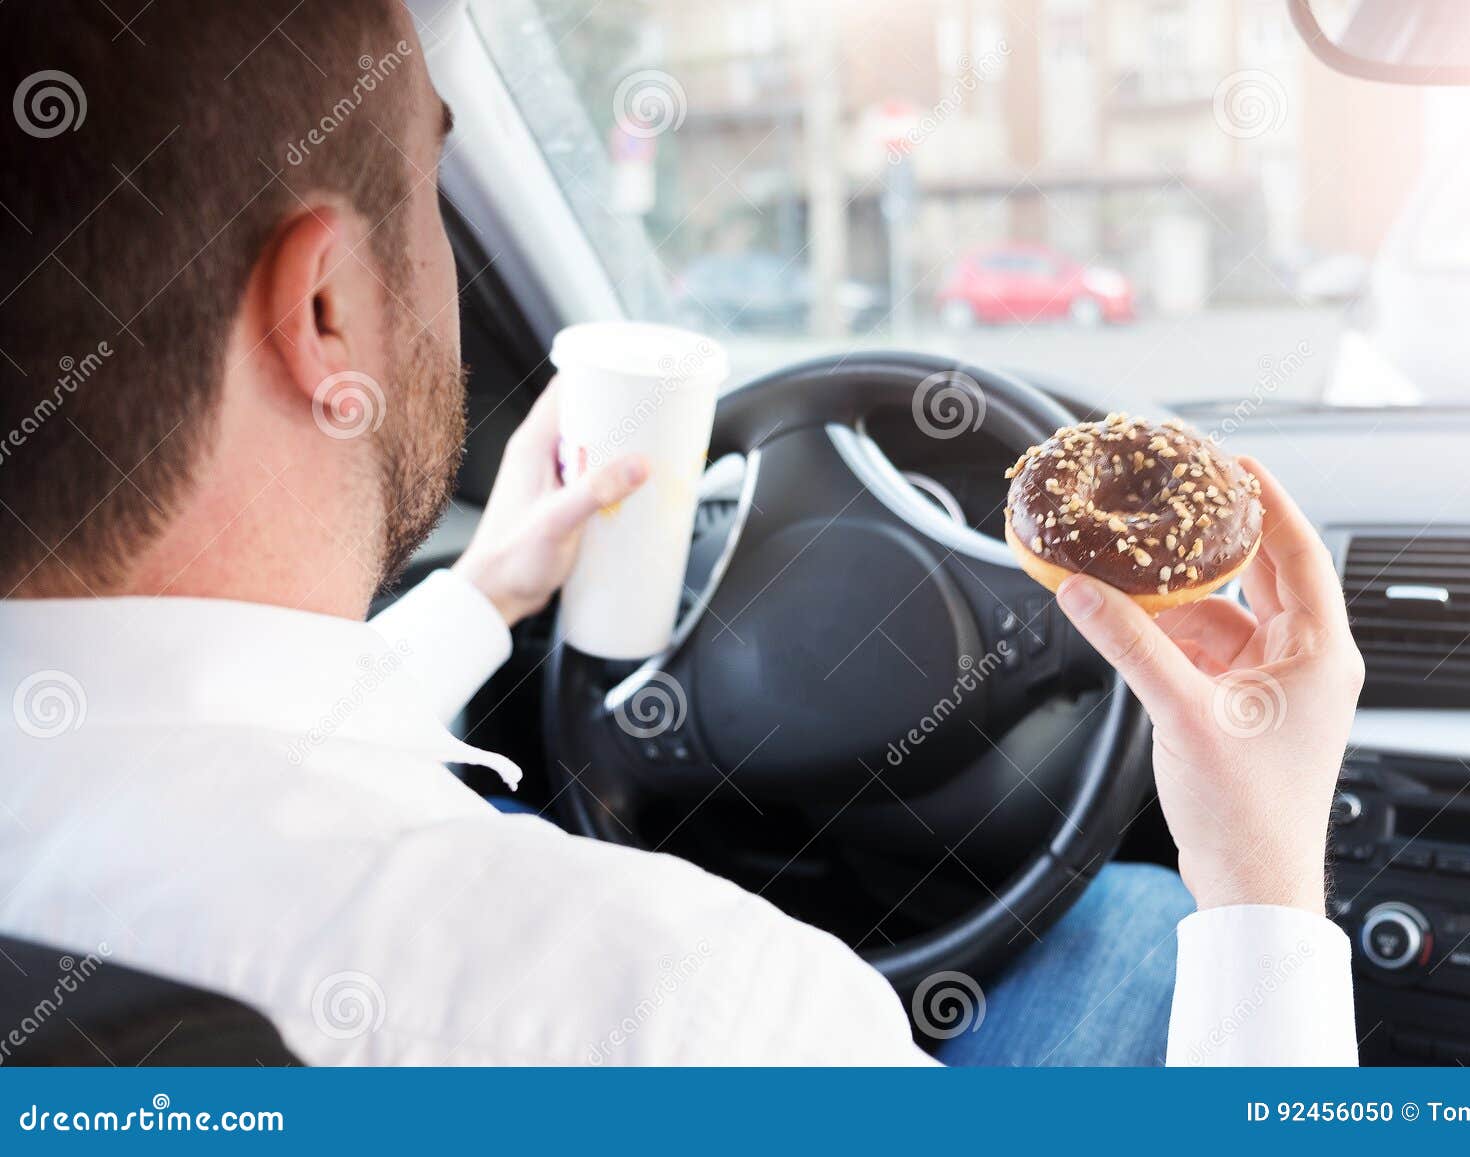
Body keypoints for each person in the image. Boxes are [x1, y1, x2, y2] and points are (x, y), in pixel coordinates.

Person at [0, 0, 1363, 1065]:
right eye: (429, 185)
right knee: (1137, 931)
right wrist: (1262, 886)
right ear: (325, 315)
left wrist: (482, 594)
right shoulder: (697, 1010)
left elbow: (197, 755)